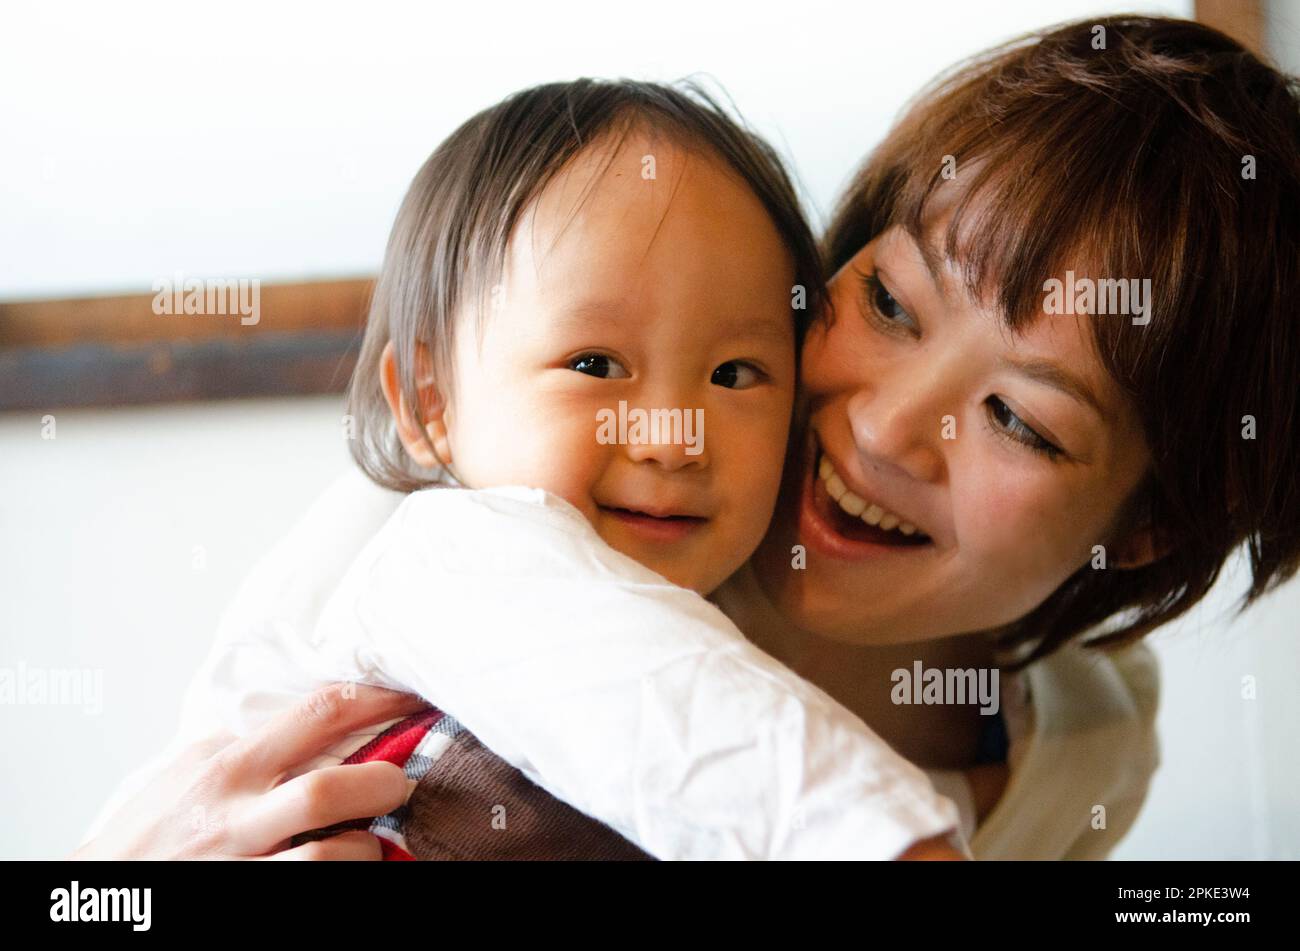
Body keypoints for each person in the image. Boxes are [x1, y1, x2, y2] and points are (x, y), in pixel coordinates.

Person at [81, 15, 1300, 860]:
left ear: (1150, 529)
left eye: (1019, 421)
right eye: (884, 302)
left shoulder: (1086, 751)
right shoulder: (484, 517)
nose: (881, 427)